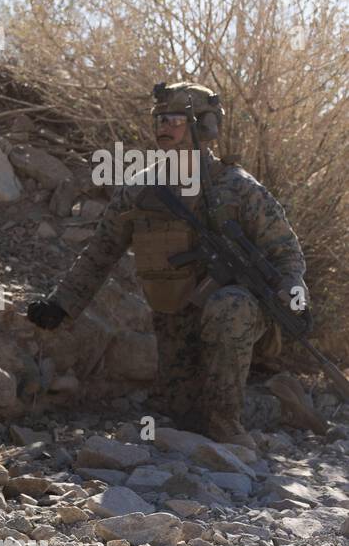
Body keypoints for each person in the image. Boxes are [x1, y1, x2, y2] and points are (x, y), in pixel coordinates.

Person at [27, 82, 309, 448]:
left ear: (202, 126)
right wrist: (60, 304)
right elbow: (100, 253)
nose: (164, 126)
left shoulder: (238, 187)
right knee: (183, 415)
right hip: (175, 316)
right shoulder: (139, 189)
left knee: (230, 308)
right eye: (159, 118)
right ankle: (279, 402)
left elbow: (287, 253)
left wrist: (292, 293)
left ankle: (233, 422)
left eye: (175, 119)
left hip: (238, 312)